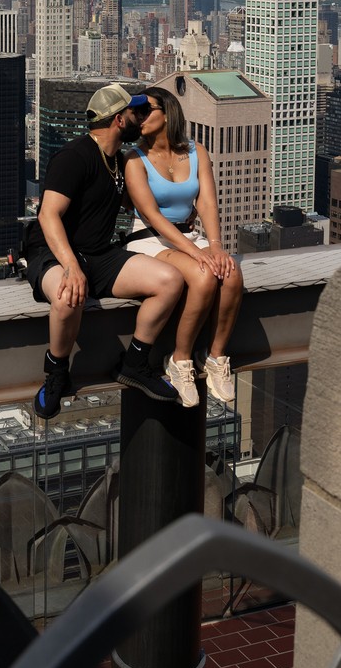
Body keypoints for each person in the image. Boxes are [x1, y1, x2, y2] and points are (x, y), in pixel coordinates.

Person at [26, 82, 184, 419]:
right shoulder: (74, 156)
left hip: (99, 255)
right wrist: (71, 266)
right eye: (136, 112)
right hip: (54, 253)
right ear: (118, 120)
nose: (141, 117)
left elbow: (139, 204)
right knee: (68, 297)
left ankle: (135, 363)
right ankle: (56, 371)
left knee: (170, 280)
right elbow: (48, 215)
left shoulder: (119, 162)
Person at [123, 85, 243, 408]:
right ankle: (180, 359)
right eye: (136, 112)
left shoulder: (196, 152)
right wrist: (197, 253)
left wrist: (215, 246)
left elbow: (206, 202)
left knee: (231, 273)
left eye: (146, 110)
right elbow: (152, 216)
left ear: (167, 114)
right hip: (149, 239)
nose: (139, 117)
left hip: (188, 237)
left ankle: (215, 356)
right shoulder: (134, 159)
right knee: (203, 276)